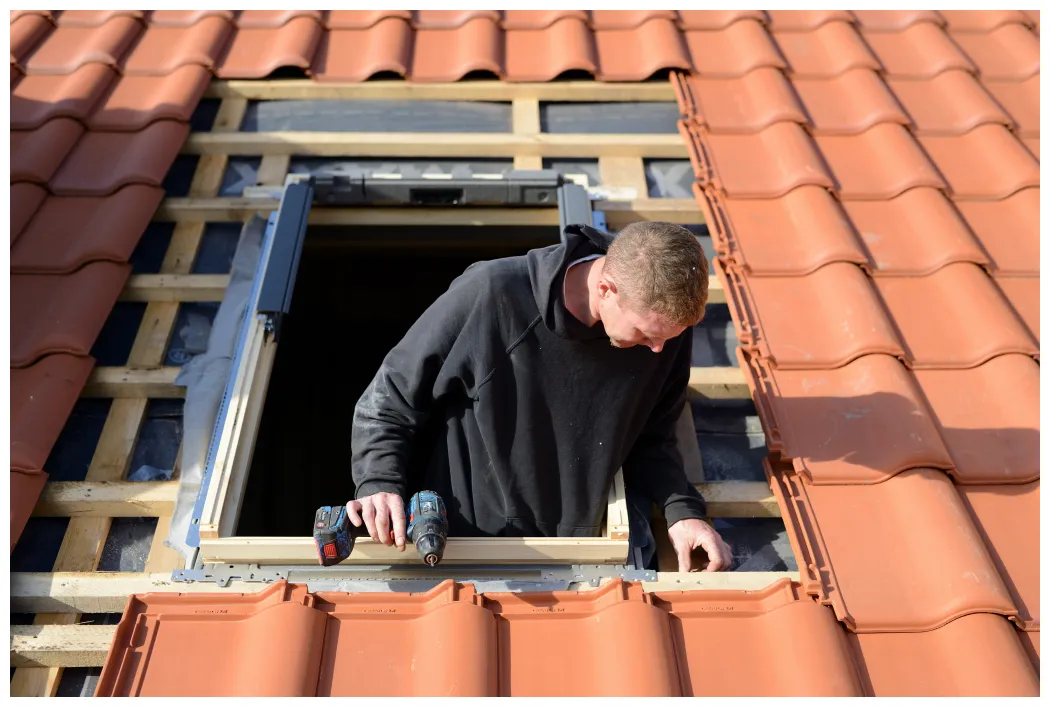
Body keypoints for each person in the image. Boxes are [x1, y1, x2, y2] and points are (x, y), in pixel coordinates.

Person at [347, 220, 732, 572]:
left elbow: (653, 437)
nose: (658, 349)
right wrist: (379, 482)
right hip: (465, 552)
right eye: (646, 333)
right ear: (605, 288)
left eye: (671, 335)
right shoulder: (492, 294)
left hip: (580, 561)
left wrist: (683, 512)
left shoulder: (662, 326)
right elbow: (388, 403)